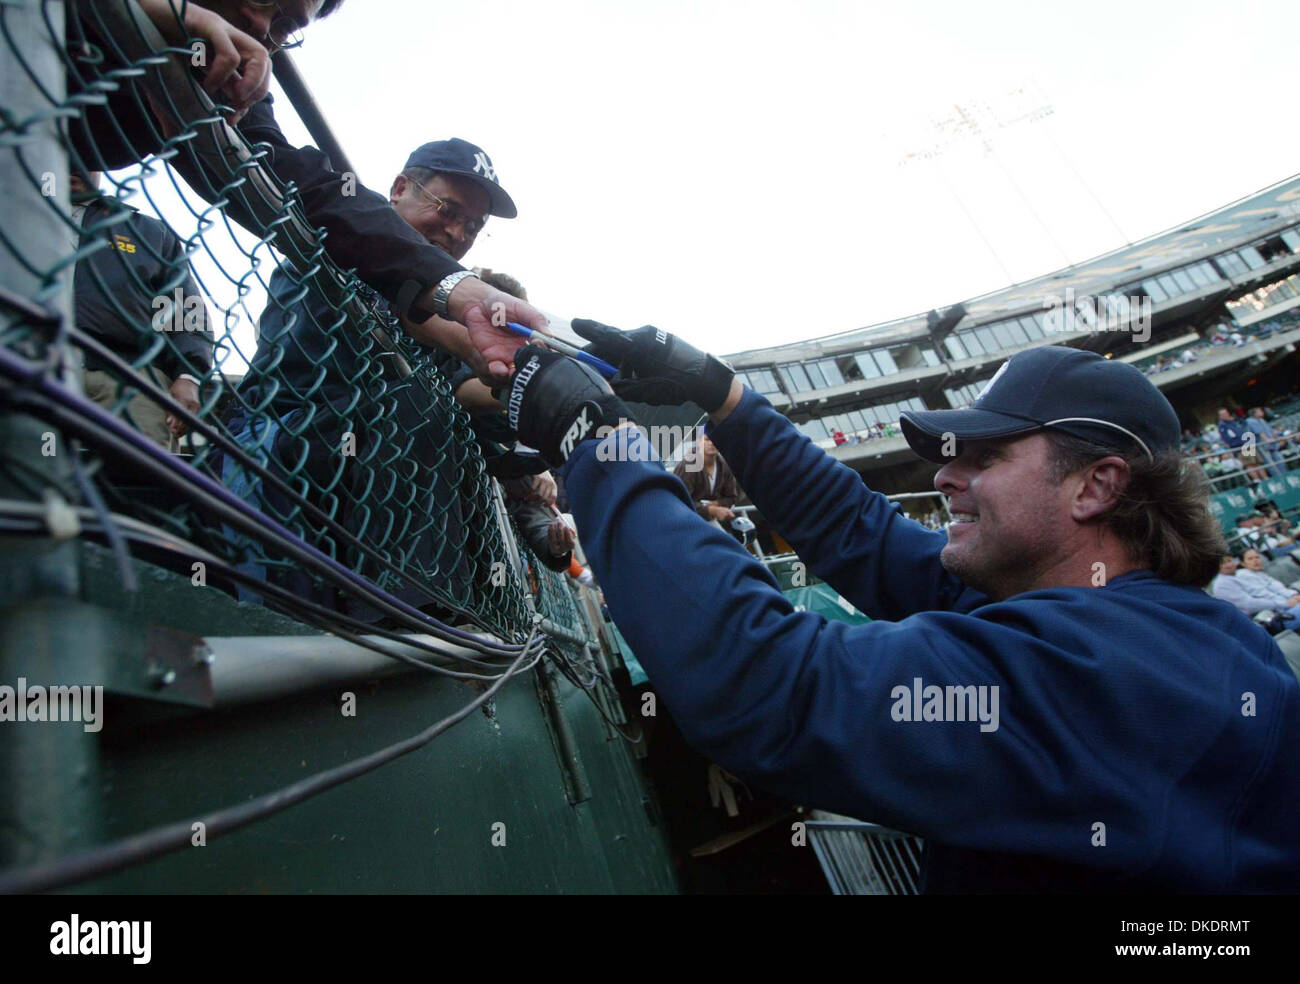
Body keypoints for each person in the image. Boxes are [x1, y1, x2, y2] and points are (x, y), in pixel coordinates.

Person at [503, 330, 1300, 892]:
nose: (947, 477)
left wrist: (597, 442)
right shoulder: (1121, 619)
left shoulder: (1106, 664)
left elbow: (771, 686)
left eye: (984, 457)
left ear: (1096, 486)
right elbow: (865, 536)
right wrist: (726, 397)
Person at [66, 0, 546, 382]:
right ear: (400, 188)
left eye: (284, 26)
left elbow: (299, 183)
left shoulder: (226, 78)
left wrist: (461, 293)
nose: (258, 24)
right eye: (447, 207)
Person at [70, 170, 214, 449]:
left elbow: (184, 307)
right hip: (23, 359)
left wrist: (189, 374)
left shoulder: (147, 231)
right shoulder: (16, 217)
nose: (74, 163)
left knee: (138, 480)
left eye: (85, 154)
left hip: (126, 373)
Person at [673, 430, 739, 531]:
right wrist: (711, 510)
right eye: (707, 439)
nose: (712, 442)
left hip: (707, 520)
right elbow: (680, 502)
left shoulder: (724, 465)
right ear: (699, 441)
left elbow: (732, 497)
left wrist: (716, 504)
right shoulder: (688, 466)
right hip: (682, 522)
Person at [1234, 549, 1300, 623]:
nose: (1255, 561)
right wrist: (1288, 602)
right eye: (1250, 559)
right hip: (1277, 615)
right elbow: (1265, 596)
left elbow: (1279, 589)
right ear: (1243, 563)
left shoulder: (1259, 572)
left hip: (1287, 605)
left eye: (1257, 557)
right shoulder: (1243, 575)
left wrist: (1294, 595)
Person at [1247, 408, 1286, 478]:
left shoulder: (1262, 420)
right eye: (1259, 411)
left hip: (1272, 445)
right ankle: (1278, 478)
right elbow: (1259, 432)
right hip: (1263, 446)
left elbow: (1270, 430)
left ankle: (1284, 475)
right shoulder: (1251, 421)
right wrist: (1267, 439)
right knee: (1270, 464)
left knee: (1280, 460)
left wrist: (1277, 437)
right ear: (1254, 413)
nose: (1262, 412)